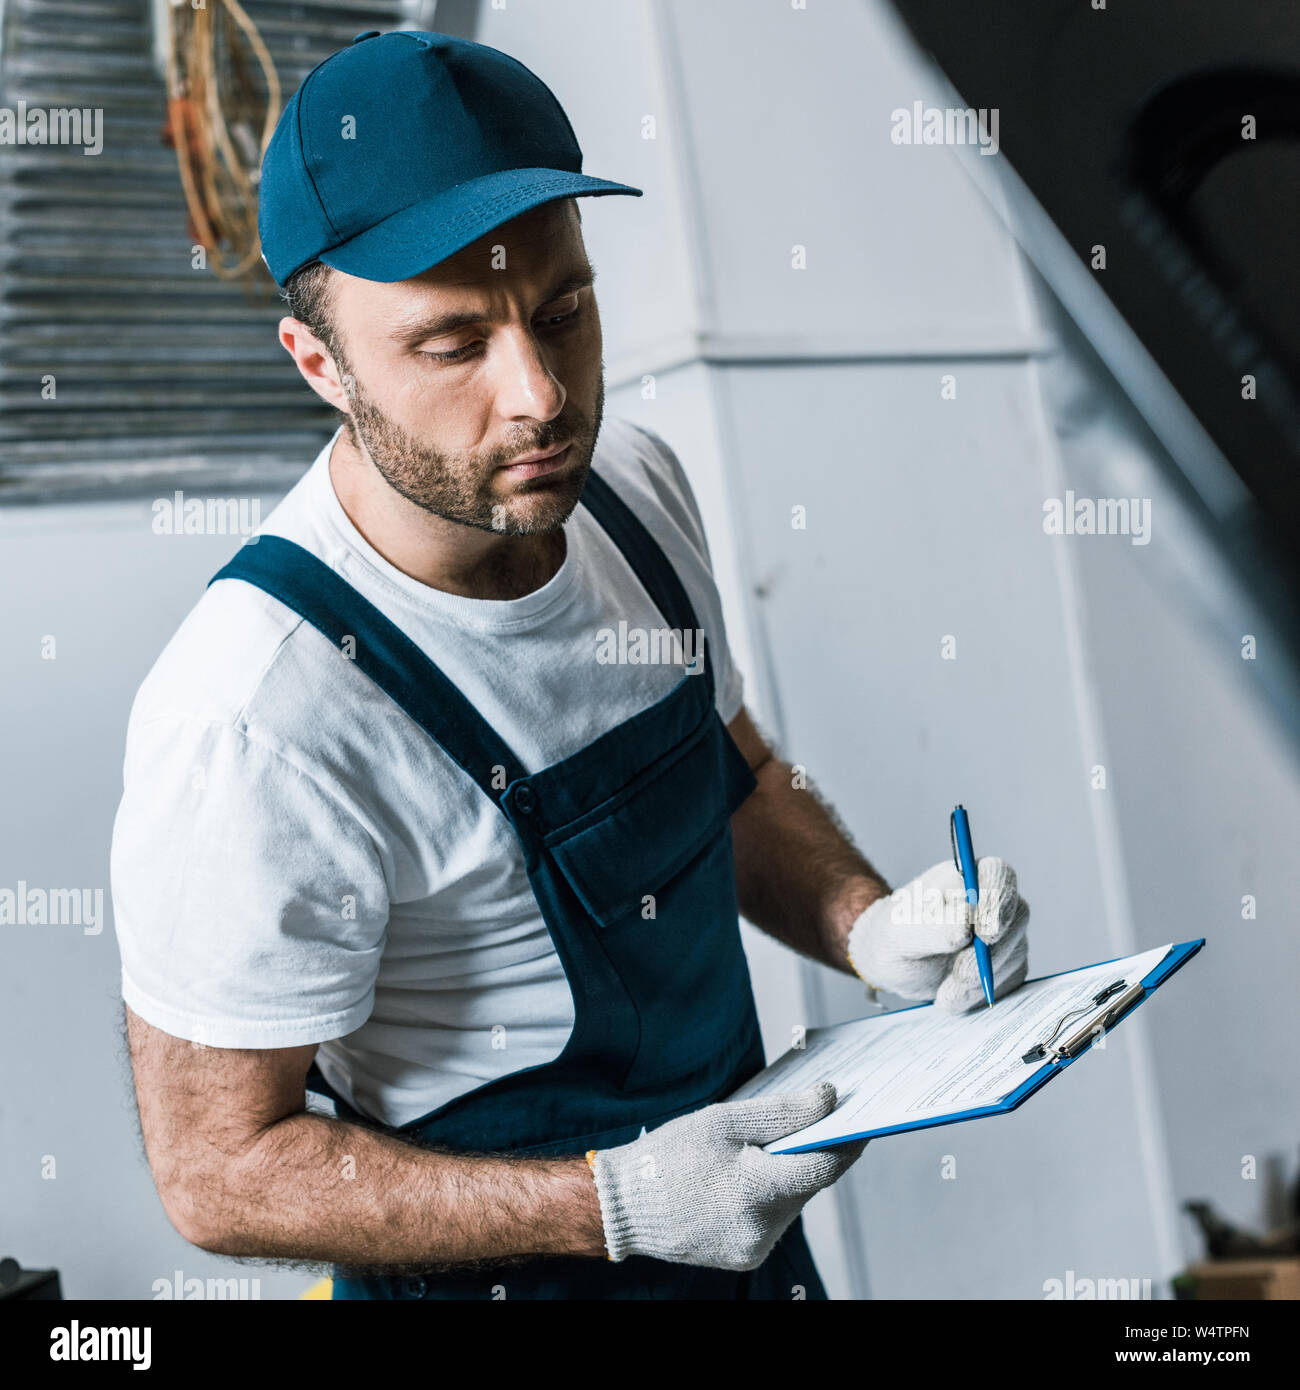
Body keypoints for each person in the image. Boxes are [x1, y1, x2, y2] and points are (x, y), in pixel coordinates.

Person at [113, 31, 1030, 1301]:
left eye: (562, 311)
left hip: (745, 1248)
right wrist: (613, 1204)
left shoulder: (635, 493)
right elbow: (217, 1169)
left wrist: (864, 922)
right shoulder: (254, 713)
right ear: (320, 365)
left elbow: (732, 770)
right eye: (451, 346)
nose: (540, 396)